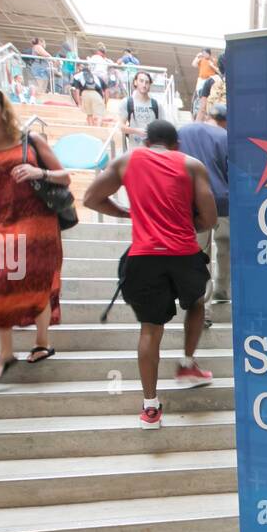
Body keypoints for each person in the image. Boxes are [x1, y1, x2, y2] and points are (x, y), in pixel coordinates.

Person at [83, 120, 219, 429]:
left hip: (143, 257)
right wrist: (185, 228)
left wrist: (126, 213)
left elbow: (90, 198)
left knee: (150, 329)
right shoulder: (191, 164)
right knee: (197, 302)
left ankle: (150, 407)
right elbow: (209, 217)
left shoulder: (127, 160)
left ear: (147, 142)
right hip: (184, 254)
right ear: (176, 145)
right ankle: (187, 364)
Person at [0, 82, 69, 380]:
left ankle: (42, 342)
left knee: (37, 282)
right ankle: (6, 351)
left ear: (3, 108)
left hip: (38, 221)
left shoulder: (29, 139)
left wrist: (40, 172)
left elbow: (65, 177)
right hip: (2, 222)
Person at [178, 103, 229, 300]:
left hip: (192, 204)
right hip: (223, 202)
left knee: (200, 253)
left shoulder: (182, 132)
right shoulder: (225, 137)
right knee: (225, 247)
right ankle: (222, 290)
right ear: (225, 121)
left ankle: (202, 304)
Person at [119, 70, 158, 147]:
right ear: (135, 82)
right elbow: (121, 126)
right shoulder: (127, 102)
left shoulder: (156, 104)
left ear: (150, 85)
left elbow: (162, 127)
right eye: (141, 81)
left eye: (147, 82)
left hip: (151, 150)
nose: (144, 85)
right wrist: (136, 131)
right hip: (134, 149)